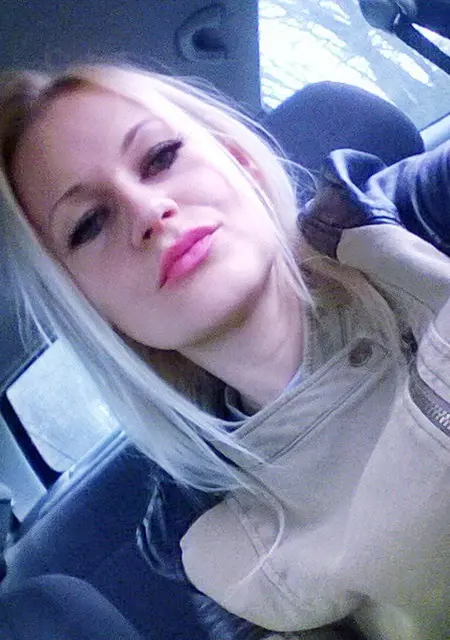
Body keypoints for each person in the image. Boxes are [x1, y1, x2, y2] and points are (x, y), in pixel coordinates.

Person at [1, 63, 450, 640]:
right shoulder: (203, 536)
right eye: (89, 224)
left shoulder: (419, 212)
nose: (147, 211)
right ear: (88, 306)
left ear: (240, 160)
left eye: (161, 157)